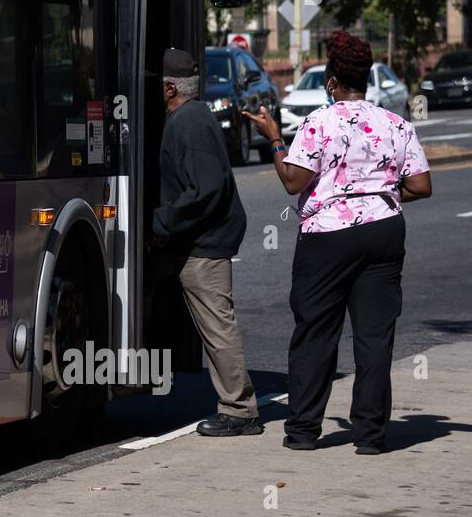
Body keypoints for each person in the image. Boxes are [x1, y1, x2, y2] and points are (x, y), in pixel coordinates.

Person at [244, 30, 431, 454]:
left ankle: (304, 431)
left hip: (328, 237)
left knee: (316, 331)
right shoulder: (395, 124)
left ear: (331, 81)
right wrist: (377, 194)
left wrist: (274, 137)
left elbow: (294, 181)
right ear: (366, 78)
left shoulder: (319, 123)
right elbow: (421, 184)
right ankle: (369, 436)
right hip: (384, 232)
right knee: (374, 335)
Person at [152, 48, 262, 435]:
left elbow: (207, 188)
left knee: (218, 328)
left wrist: (162, 222)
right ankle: (235, 405)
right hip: (196, 242)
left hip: (204, 244)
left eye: (158, 86)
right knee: (212, 326)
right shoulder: (193, 116)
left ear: (169, 89)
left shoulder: (189, 123)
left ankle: (240, 410)